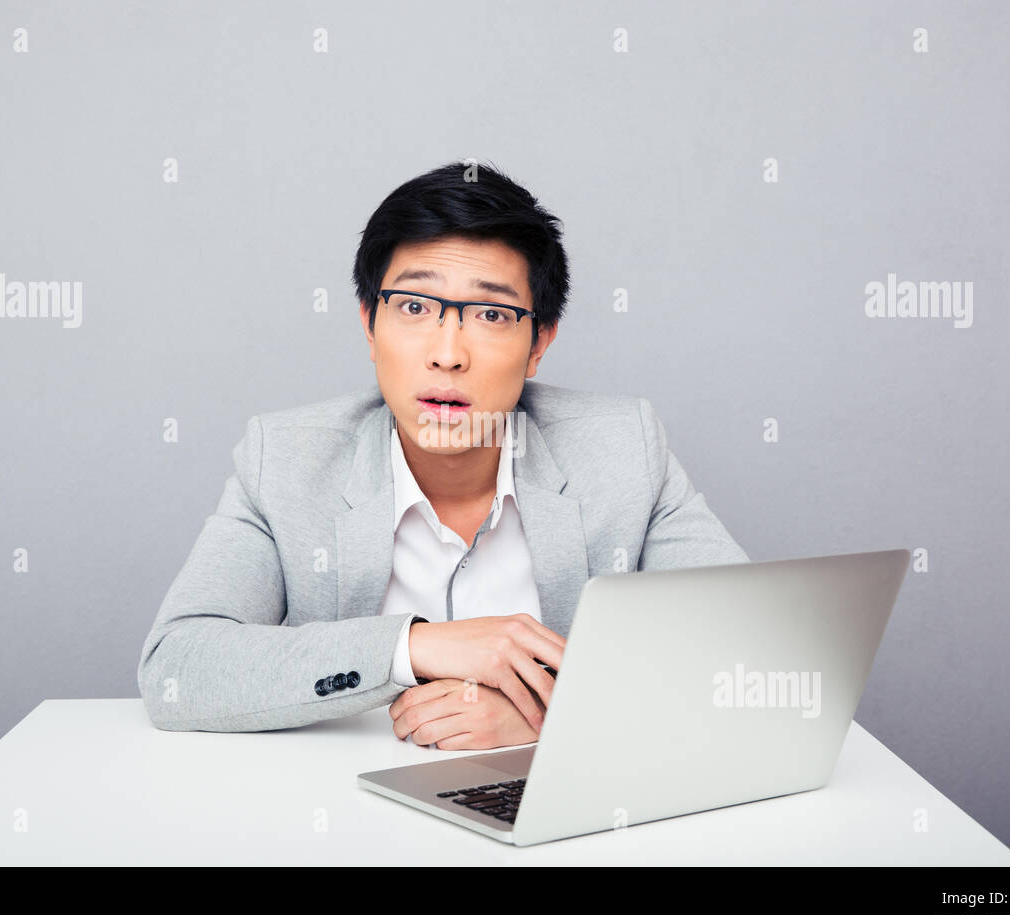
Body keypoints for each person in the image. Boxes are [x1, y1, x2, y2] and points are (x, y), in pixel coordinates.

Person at [137, 161, 749, 749]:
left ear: (539, 343)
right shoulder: (286, 462)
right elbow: (178, 669)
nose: (448, 353)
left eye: (490, 313)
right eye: (414, 307)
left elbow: (744, 652)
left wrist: (552, 712)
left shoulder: (622, 449)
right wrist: (413, 647)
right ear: (368, 325)